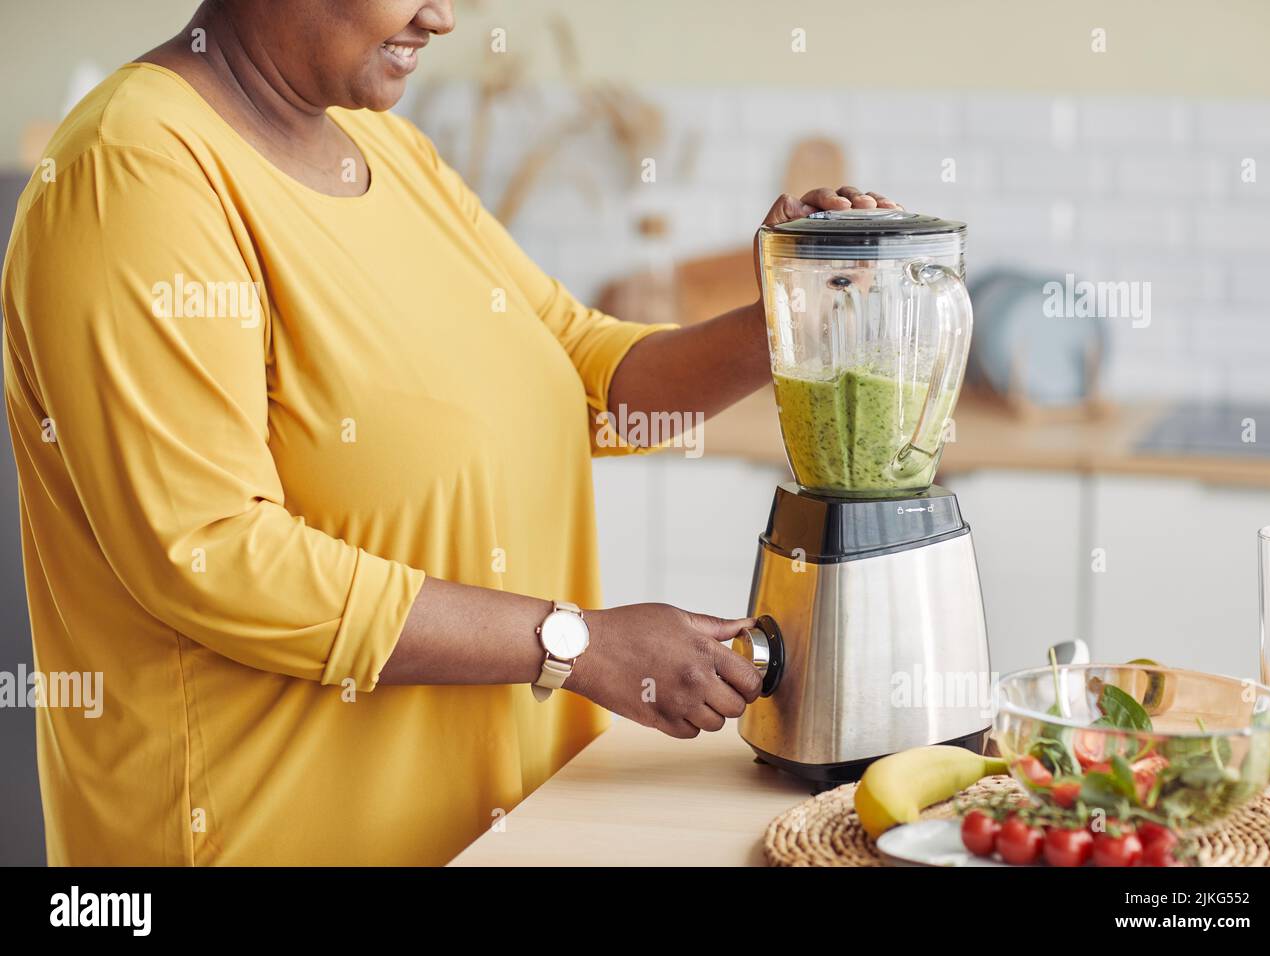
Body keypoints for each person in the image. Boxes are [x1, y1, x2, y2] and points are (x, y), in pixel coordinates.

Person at [2, 0, 898, 864]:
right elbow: (211, 553)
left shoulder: (384, 149)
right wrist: (577, 643)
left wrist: (779, 312)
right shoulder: (133, 170)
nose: (443, 17)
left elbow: (585, 376)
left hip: (491, 833)